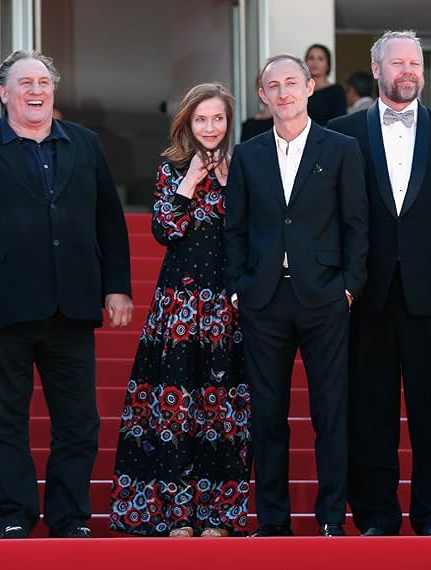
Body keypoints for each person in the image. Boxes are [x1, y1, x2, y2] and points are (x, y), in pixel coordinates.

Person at [0, 49, 133, 539]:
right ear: (3, 93)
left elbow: (110, 221)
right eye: (24, 83)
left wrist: (117, 287)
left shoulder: (85, 144)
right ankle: (14, 515)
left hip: (73, 304)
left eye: (43, 82)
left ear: (53, 91)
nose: (35, 90)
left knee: (79, 423)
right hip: (0, 304)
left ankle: (69, 518)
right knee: (3, 420)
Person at [327, 30, 431, 537]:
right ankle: (376, 518)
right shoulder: (340, 130)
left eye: (414, 62)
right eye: (397, 63)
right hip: (363, 294)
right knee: (370, 414)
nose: (407, 71)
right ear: (376, 70)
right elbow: (326, 215)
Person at [225, 54, 368, 537]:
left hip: (326, 296)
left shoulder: (342, 148)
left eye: (292, 83)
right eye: (273, 86)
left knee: (331, 414)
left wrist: (350, 286)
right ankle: (272, 522)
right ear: (262, 95)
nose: (283, 93)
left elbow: (356, 223)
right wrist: (238, 289)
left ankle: (331, 519)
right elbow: (235, 229)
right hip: (263, 300)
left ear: (310, 87)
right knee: (268, 416)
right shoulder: (247, 154)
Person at [109, 83, 250, 538]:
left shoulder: (246, 166)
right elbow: (165, 230)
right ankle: (175, 517)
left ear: (230, 122)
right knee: (174, 412)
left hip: (228, 305)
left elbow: (258, 231)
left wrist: (231, 186)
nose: (210, 127)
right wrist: (190, 180)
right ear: (188, 123)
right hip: (180, 306)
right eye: (201, 119)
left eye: (218, 119)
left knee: (223, 413)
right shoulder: (170, 168)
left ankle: (220, 518)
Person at [305, 43, 347, 126]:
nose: (315, 62)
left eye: (320, 59)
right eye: (311, 58)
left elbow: (339, 123)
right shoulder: (299, 90)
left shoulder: (336, 91)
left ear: (328, 65)